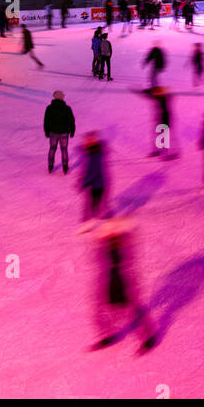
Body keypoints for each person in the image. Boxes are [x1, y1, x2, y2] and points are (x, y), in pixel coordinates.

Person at [89, 218, 157, 353]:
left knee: (133, 310)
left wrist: (131, 286)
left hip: (124, 280)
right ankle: (107, 335)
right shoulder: (106, 242)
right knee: (101, 310)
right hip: (110, 280)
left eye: (112, 231)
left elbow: (128, 258)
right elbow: (100, 259)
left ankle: (149, 337)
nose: (109, 233)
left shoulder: (124, 243)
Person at [43, 91, 75, 174]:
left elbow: (46, 121)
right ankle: (65, 166)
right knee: (64, 149)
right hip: (64, 132)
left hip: (53, 132)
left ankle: (50, 166)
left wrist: (46, 131)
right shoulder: (67, 108)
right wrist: (72, 130)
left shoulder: (49, 108)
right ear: (61, 97)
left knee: (52, 149)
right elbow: (71, 120)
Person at [78, 133, 108, 220]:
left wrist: (85, 183)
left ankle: (95, 219)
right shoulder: (93, 153)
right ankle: (94, 218)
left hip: (97, 184)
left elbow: (94, 172)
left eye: (88, 141)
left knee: (94, 203)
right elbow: (89, 169)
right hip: (96, 183)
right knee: (93, 202)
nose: (85, 143)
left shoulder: (94, 155)